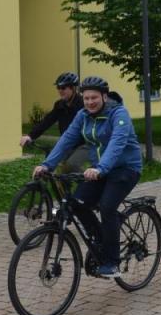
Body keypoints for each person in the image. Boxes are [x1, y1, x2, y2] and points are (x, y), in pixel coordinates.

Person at [34, 77, 142, 278]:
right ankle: (102, 240)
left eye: (94, 97)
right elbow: (67, 140)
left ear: (104, 96)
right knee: (76, 203)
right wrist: (47, 164)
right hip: (99, 169)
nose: (90, 102)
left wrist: (101, 168)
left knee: (107, 206)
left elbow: (117, 143)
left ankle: (112, 261)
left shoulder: (119, 114)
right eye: (86, 98)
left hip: (125, 168)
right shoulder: (83, 115)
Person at [20, 72, 87, 173]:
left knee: (71, 165)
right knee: (55, 170)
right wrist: (30, 136)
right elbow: (47, 121)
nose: (60, 90)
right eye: (58, 88)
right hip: (67, 143)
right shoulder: (59, 105)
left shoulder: (83, 104)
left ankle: (89, 184)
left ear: (73, 88)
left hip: (84, 143)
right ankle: (64, 188)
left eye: (63, 88)